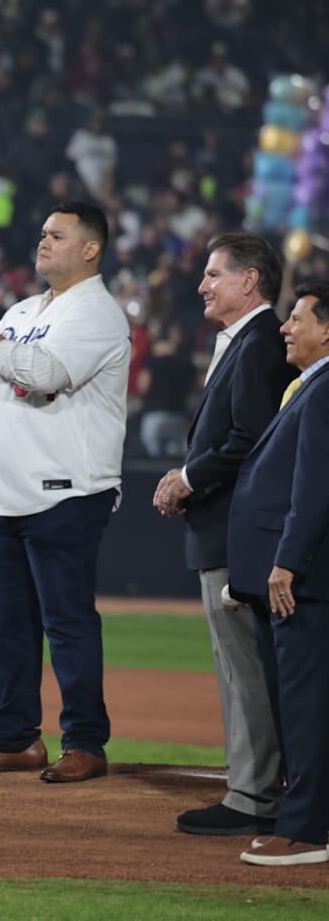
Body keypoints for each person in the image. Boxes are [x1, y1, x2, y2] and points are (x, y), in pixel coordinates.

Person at [0, 201, 130, 783]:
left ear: (91, 249)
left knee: (68, 622)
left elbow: (45, 374)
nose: (43, 240)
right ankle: (15, 738)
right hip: (5, 490)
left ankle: (86, 742)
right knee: (10, 625)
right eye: (43, 232)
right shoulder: (25, 310)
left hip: (67, 490)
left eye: (58, 234)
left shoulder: (99, 313)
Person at [153, 235, 292, 836]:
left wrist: (188, 478)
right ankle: (260, 785)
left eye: (214, 274)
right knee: (242, 665)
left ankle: (254, 793)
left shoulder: (259, 343)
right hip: (227, 529)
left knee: (244, 669)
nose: (202, 285)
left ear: (250, 281)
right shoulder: (248, 342)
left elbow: (251, 439)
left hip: (238, 535)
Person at [229, 282, 329, 867]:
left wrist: (285, 563)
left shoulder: (323, 389)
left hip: (305, 582)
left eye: (298, 319)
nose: (286, 328)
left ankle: (305, 830)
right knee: (304, 702)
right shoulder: (311, 385)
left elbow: (312, 489)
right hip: (300, 576)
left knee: (305, 705)